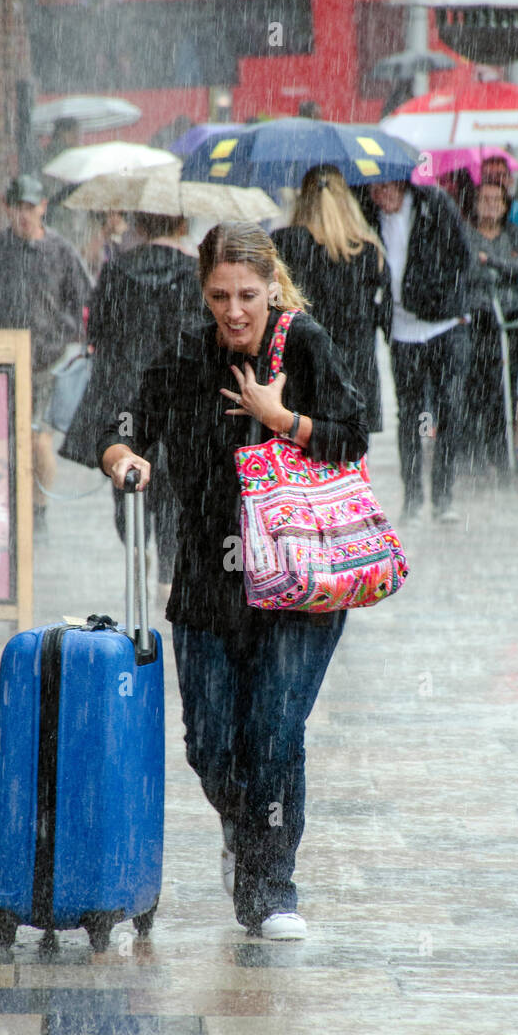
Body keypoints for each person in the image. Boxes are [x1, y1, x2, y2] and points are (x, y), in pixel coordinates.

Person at [97, 222, 367, 940]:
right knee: (210, 743)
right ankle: (246, 837)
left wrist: (282, 418)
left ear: (271, 286)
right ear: (204, 293)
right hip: (208, 581)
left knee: (274, 735)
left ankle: (269, 887)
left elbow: (354, 433)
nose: (234, 310)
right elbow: (123, 421)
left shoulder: (303, 344)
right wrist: (126, 459)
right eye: (220, 295)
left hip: (301, 581)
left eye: (248, 294)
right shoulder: (187, 354)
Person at [62, 210, 201, 594]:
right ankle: (169, 570)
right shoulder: (195, 272)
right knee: (173, 478)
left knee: (124, 468)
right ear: (182, 225)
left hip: (123, 387)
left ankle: (136, 547)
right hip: (174, 390)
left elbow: (97, 327)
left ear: (140, 226)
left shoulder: (118, 268)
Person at [0, 175, 92, 528]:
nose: (25, 215)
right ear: (8, 208)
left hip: (46, 360)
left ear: (43, 208)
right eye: (19, 208)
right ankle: (4, 503)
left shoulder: (61, 252)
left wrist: (67, 331)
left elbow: (83, 299)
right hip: (1, 359)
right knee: (2, 437)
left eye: (31, 208)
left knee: (38, 438)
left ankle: (39, 509)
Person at [365, 179, 472, 521]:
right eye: (373, 190)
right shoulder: (368, 213)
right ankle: (412, 497)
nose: (379, 196)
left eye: (384, 188)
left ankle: (444, 497)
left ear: (400, 184)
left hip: (443, 325)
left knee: (449, 410)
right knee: (409, 414)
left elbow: (463, 257)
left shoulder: (434, 204)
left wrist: (451, 303)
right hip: (401, 331)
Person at [272, 166, 390, 433]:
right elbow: (385, 315)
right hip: (355, 372)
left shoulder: (283, 242)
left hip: (302, 368)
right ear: (346, 199)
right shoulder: (369, 251)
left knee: (300, 464)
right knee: (351, 466)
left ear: (304, 199)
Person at [462, 181, 518, 469]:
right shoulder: (467, 234)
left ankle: (504, 450)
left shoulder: (513, 234)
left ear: (505, 206)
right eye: (484, 199)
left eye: (496, 200)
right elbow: (468, 268)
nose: (490, 205)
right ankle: (478, 452)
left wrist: (493, 262)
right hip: (480, 319)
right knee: (480, 385)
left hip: (511, 319)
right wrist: (503, 264)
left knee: (510, 384)